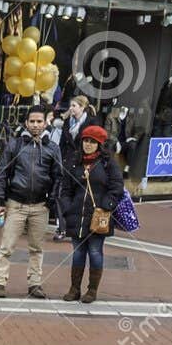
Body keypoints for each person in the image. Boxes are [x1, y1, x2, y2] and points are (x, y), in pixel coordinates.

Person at [0, 107, 60, 299]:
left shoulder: (53, 148)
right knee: (7, 247)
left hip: (40, 206)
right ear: (26, 123)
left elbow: (58, 177)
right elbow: (2, 173)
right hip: (15, 204)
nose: (36, 125)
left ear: (45, 123)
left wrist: (52, 202)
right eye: (32, 122)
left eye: (39, 121)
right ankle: (0, 282)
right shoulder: (14, 145)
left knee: (37, 248)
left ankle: (35, 284)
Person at [57, 124, 122, 304]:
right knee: (78, 253)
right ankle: (74, 288)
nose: (88, 145)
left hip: (98, 216)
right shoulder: (74, 161)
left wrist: (106, 206)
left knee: (95, 252)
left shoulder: (108, 164)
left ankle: (92, 290)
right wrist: (67, 207)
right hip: (76, 215)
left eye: (92, 142)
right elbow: (65, 188)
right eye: (86, 140)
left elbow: (116, 188)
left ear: (100, 144)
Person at [56, 97, 101, 239]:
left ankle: (82, 227)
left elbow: (97, 144)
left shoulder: (91, 122)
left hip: (84, 162)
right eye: (70, 105)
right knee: (62, 193)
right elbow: (62, 143)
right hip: (68, 162)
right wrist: (60, 160)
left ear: (82, 108)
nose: (71, 108)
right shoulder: (67, 122)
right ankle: (62, 228)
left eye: (74, 105)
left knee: (80, 194)